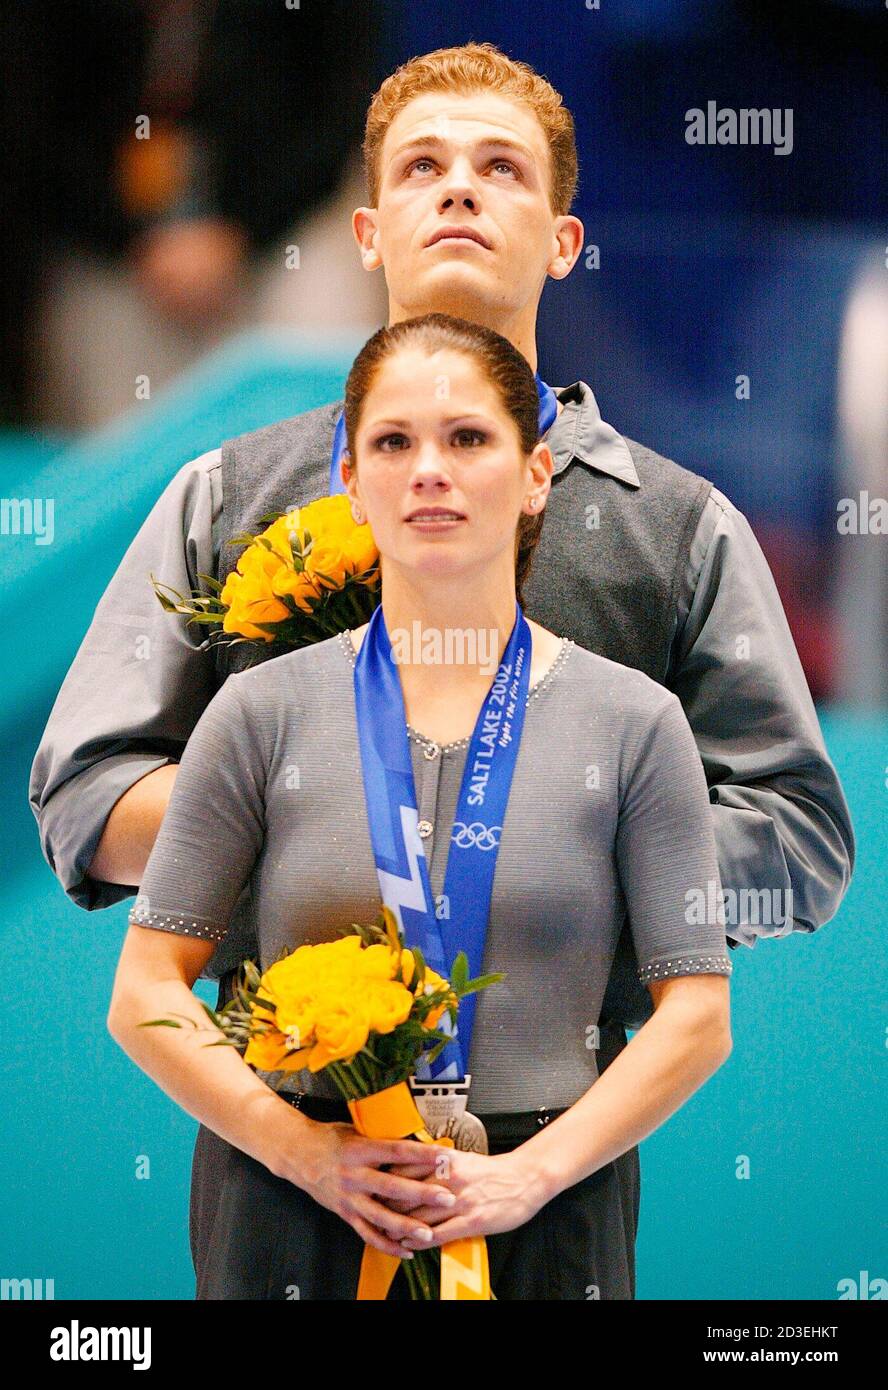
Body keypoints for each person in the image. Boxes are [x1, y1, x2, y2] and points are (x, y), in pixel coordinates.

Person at [30, 42, 854, 1296]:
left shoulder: (679, 528)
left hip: (554, 1146)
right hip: (280, 1137)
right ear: (367, 231)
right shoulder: (224, 495)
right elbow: (83, 797)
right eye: (423, 167)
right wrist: (307, 839)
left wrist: (588, 855)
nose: (458, 190)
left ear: (566, 240)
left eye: (501, 170)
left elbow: (799, 840)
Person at [107, 313, 733, 1299]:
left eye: (468, 438)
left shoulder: (634, 722)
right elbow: (144, 992)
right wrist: (301, 1155)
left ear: (537, 475)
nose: (429, 470)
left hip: (548, 1214)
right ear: (349, 480)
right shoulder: (259, 710)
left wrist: (531, 1177)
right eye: (393, 442)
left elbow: (697, 1014)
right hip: (300, 1207)